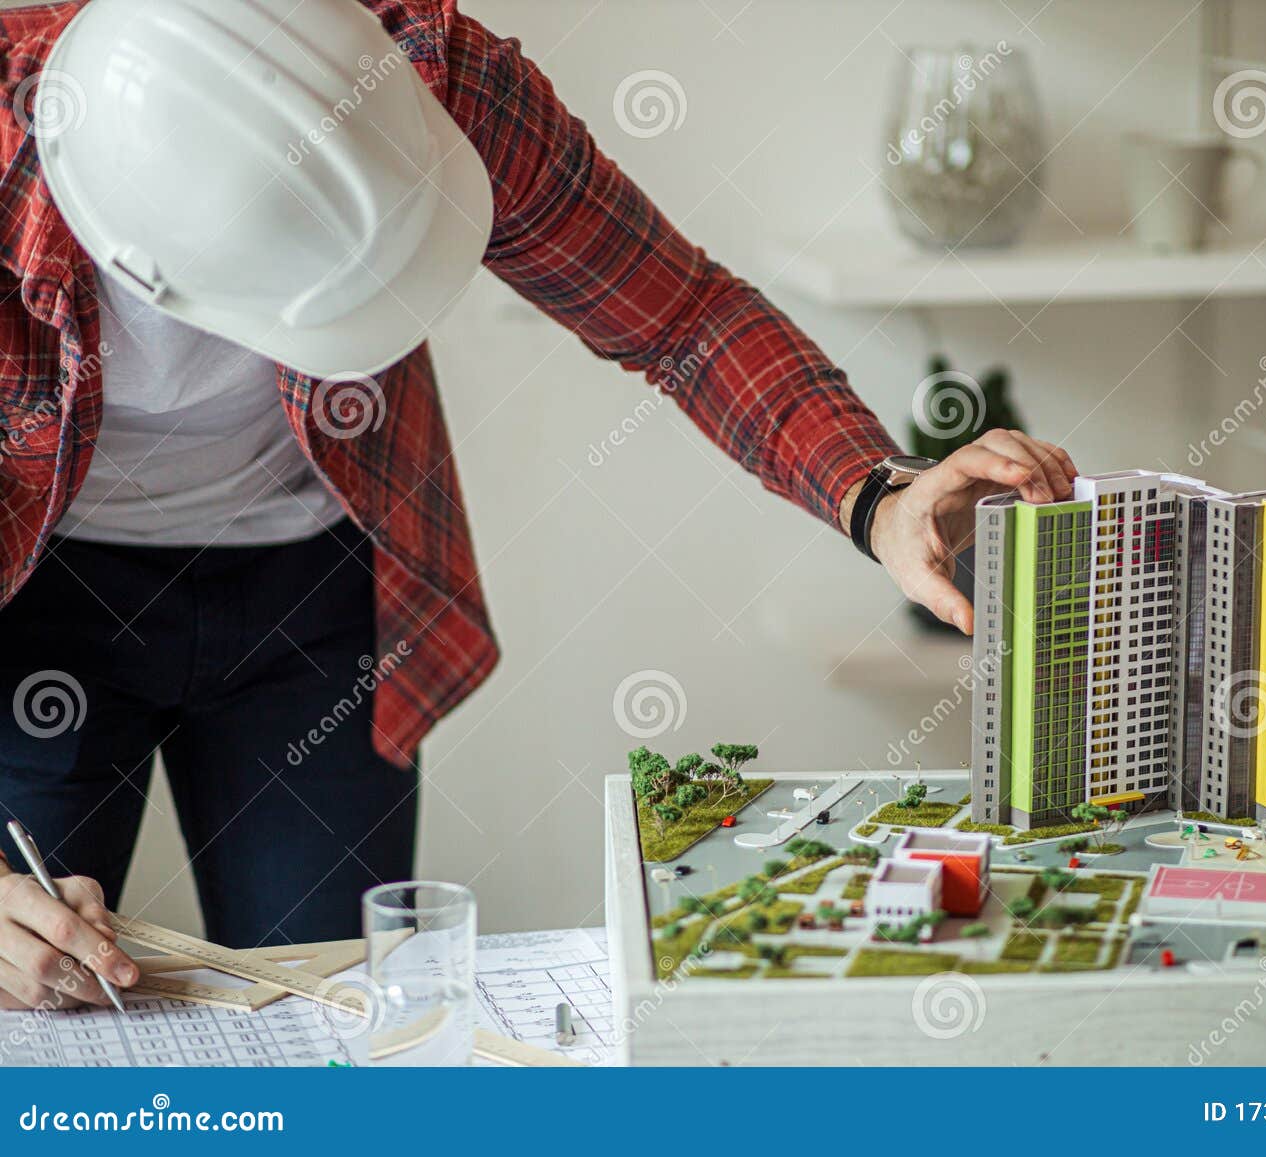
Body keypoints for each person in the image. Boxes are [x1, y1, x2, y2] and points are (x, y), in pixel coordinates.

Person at [0, 0, 1075, 1009]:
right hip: (36, 604)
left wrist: (876, 493)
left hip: (315, 592)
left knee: (332, 1010)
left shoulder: (422, 82)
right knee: (34, 990)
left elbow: (685, 317)